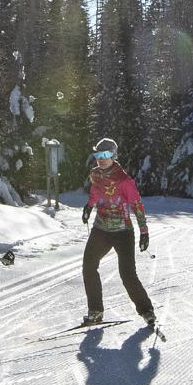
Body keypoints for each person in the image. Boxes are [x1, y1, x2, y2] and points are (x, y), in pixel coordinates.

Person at [80, 137, 155, 328]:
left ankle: (146, 310)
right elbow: (96, 192)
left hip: (122, 231)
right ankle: (95, 311)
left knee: (127, 274)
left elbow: (137, 205)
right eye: (98, 155)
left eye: (105, 155)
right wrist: (89, 207)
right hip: (101, 229)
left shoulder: (124, 180)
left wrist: (144, 231)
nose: (101, 159)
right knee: (89, 266)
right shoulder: (95, 174)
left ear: (114, 156)